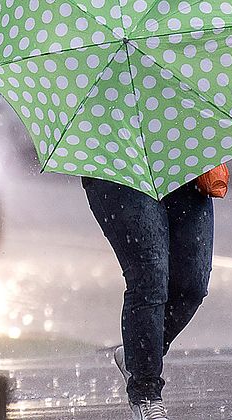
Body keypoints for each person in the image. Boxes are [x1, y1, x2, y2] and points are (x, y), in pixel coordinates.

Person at [81, 177, 214, 420]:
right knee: (149, 277)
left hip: (182, 163)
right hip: (119, 165)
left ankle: (136, 355)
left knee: (192, 285)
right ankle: (146, 394)